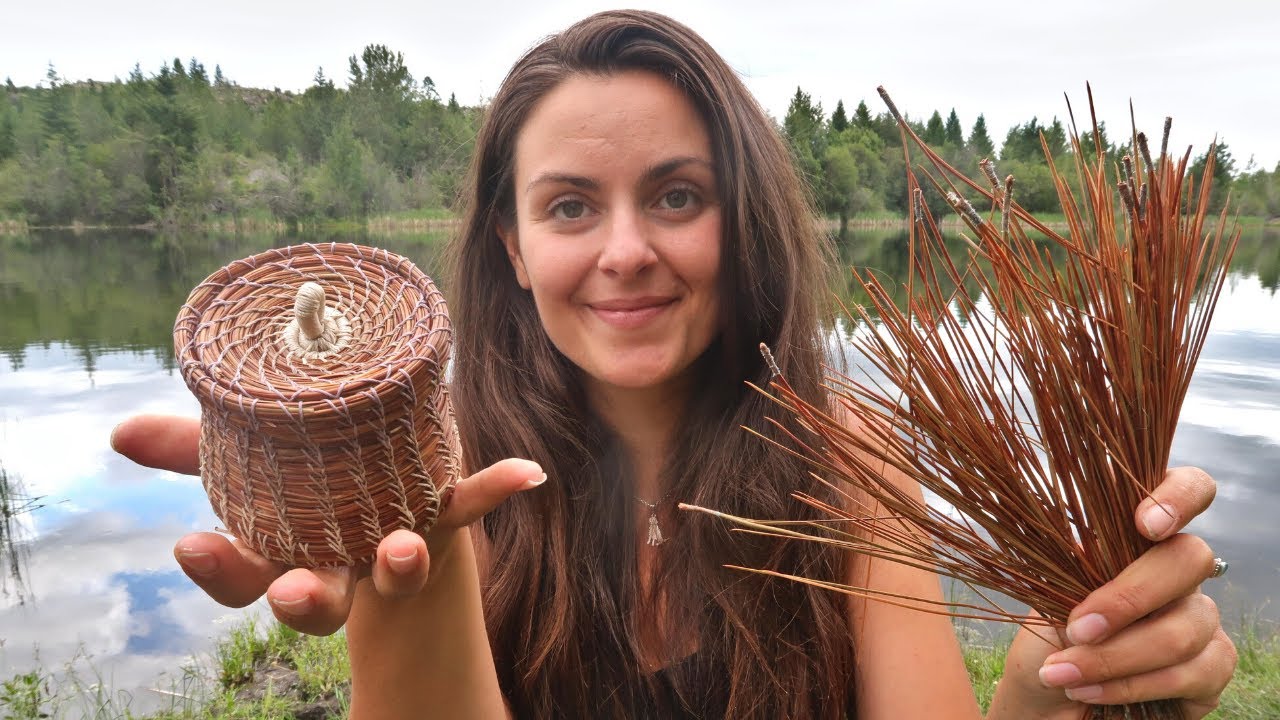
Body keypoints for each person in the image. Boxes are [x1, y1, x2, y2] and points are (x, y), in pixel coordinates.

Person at [112, 10, 1237, 719]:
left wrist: (1053, 690)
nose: (624, 252)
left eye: (676, 196)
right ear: (509, 248)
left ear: (738, 221)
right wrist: (414, 559)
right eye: (567, 206)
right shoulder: (428, 479)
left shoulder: (851, 458)